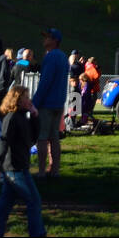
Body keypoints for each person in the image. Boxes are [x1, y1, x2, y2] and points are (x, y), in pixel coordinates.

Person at [0, 86, 46, 238]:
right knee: (34, 201)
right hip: (14, 168)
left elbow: (32, 139)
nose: (29, 100)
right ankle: (37, 233)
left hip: (20, 165)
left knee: (5, 204)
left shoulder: (24, 116)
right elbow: (4, 142)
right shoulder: (11, 118)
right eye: (25, 97)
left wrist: (35, 117)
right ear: (17, 99)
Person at [33, 27, 69, 179]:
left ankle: (41, 172)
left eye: (48, 37)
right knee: (54, 137)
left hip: (47, 104)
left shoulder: (50, 56)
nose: (44, 39)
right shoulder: (63, 56)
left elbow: (45, 83)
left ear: (55, 41)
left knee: (42, 137)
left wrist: (34, 103)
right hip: (59, 103)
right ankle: (55, 170)